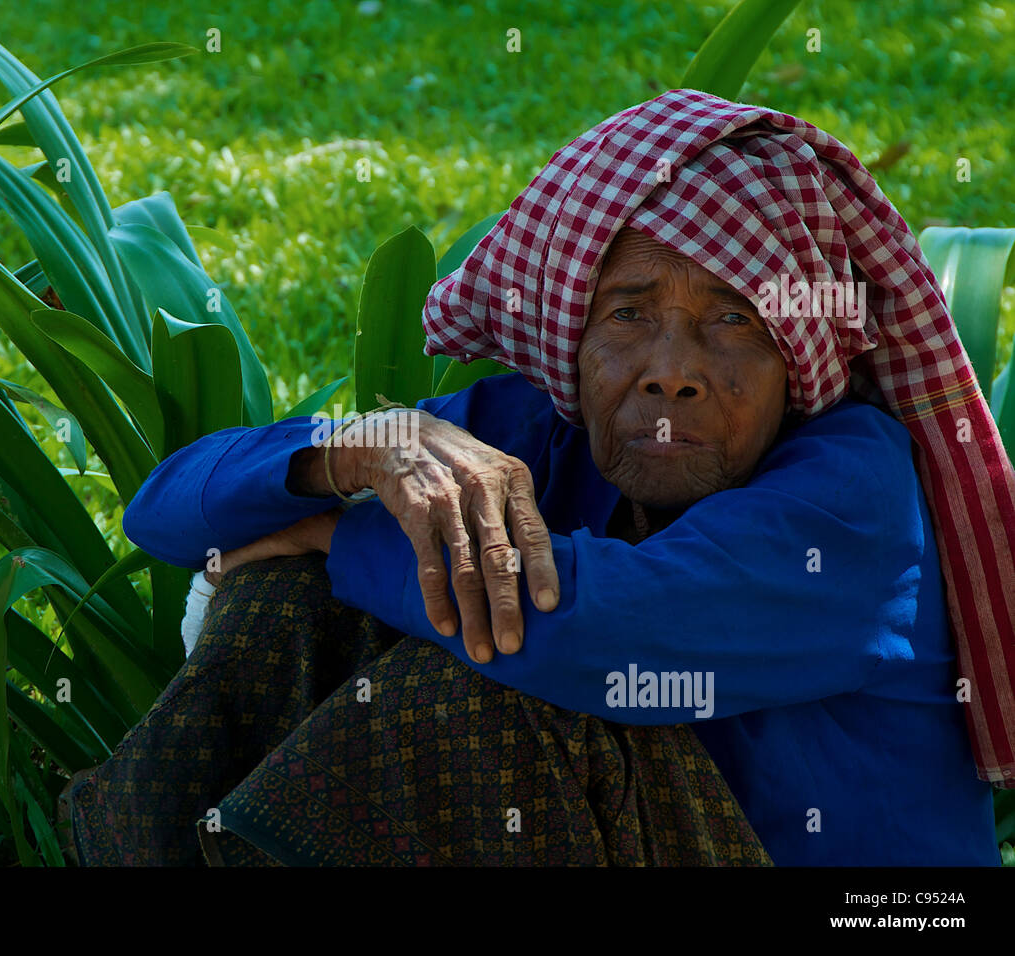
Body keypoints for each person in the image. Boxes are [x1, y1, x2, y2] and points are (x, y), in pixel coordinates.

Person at [68, 88, 1015, 866]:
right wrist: (359, 454)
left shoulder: (855, 486)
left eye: (732, 320)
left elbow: (595, 629)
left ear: (797, 354)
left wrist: (334, 530)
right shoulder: (546, 431)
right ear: (572, 337)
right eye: (628, 314)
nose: (670, 368)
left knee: (489, 688)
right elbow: (163, 513)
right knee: (284, 595)